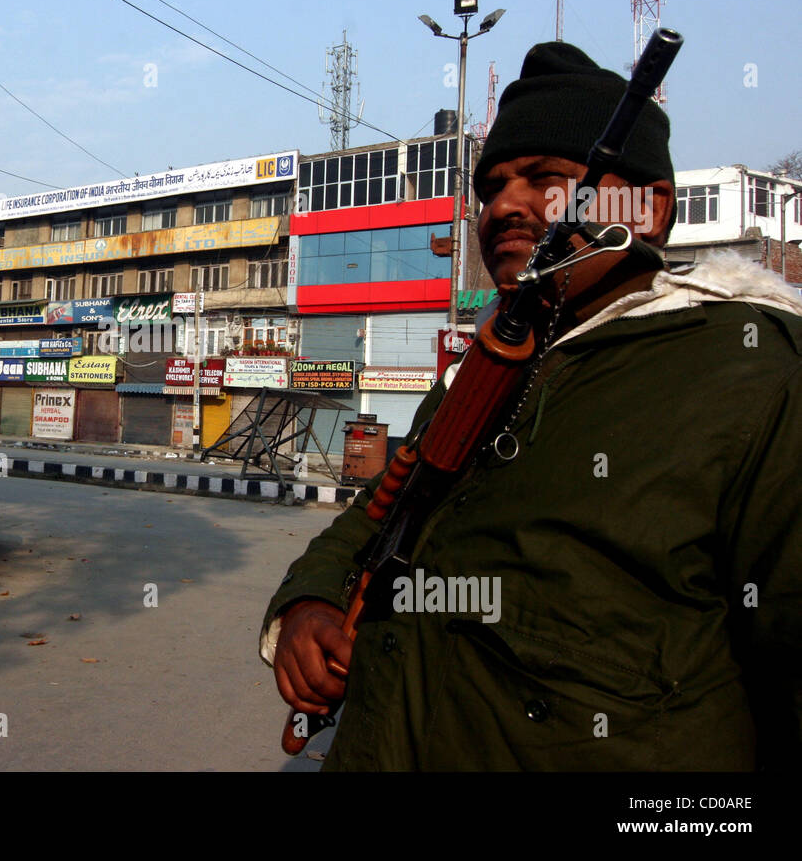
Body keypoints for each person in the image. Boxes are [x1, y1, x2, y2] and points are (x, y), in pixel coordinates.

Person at [262, 42, 802, 770]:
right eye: (493, 187)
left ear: (645, 207)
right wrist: (310, 604)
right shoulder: (489, 365)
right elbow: (380, 514)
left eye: (548, 180)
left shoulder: (755, 370)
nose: (505, 206)